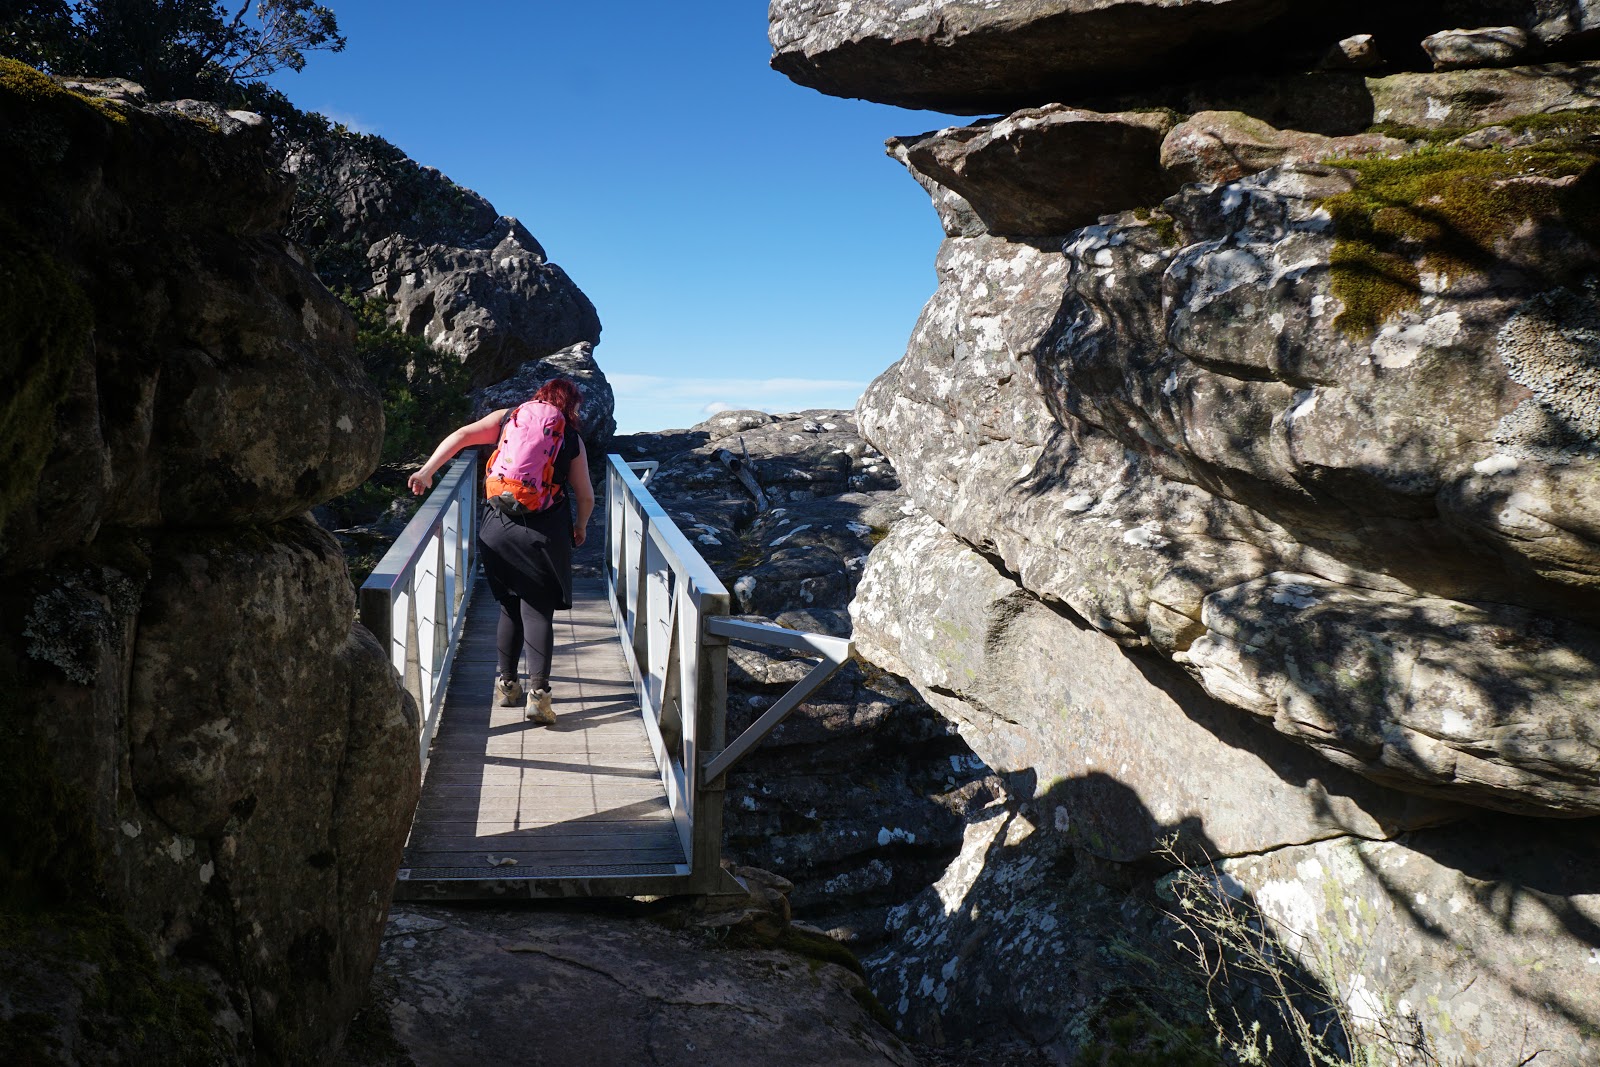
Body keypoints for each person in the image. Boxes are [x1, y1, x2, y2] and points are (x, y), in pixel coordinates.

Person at [407, 378, 595, 725]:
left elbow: (462, 436)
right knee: (537, 611)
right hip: (542, 531)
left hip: (497, 525)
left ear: (539, 396)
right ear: (571, 405)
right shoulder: (569, 436)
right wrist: (581, 525)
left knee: (509, 607)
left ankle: (507, 686)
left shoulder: (510, 418)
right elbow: (585, 495)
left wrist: (427, 470)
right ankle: (539, 697)